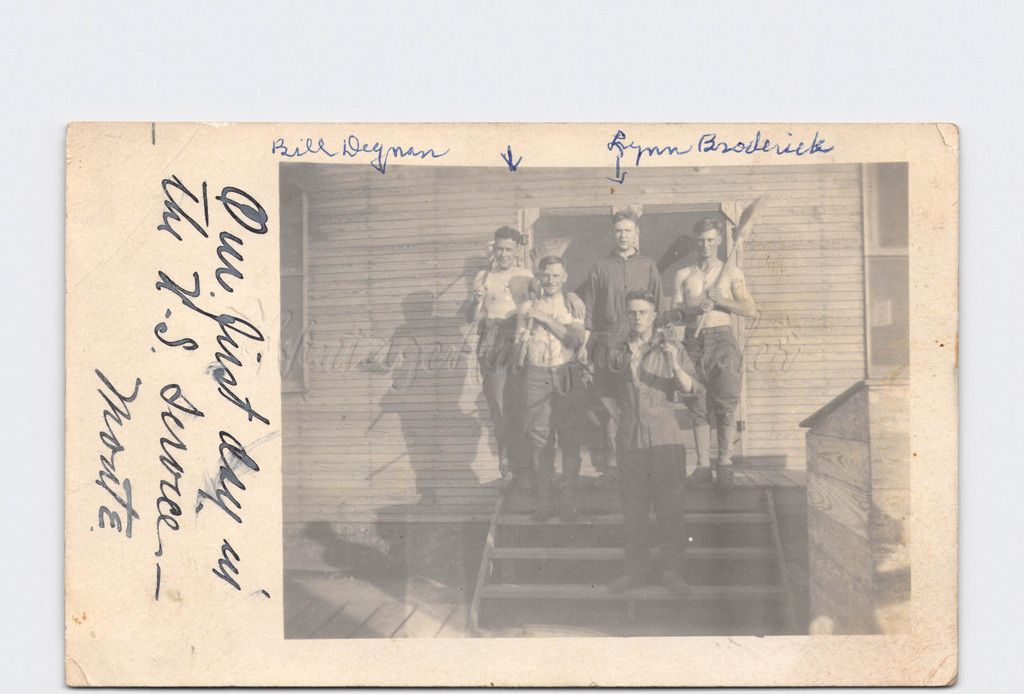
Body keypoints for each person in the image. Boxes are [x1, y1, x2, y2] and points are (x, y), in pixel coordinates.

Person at [604, 291, 700, 595]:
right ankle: (637, 572)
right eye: (632, 312)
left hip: (664, 440)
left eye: (643, 312)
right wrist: (620, 420)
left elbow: (691, 390)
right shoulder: (616, 352)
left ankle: (673, 573)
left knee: (670, 509)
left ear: (654, 315)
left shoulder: (670, 348)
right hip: (630, 441)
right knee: (634, 511)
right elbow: (603, 391)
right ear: (626, 315)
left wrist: (674, 361)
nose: (637, 317)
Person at [578, 209, 663, 483]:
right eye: (618, 231)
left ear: (636, 233)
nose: (623, 235)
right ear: (612, 234)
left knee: (642, 400)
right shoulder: (600, 267)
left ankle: (644, 460)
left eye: (628, 230)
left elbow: (659, 307)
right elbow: (589, 311)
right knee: (609, 404)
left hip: (642, 344)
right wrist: (586, 347)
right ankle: (614, 463)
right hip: (609, 344)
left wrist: (658, 342)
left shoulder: (648, 266)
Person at [672, 217, 756, 487]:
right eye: (701, 240)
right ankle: (702, 465)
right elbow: (676, 314)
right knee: (697, 405)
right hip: (693, 343)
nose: (706, 245)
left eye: (711, 240)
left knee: (725, 406)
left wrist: (722, 301)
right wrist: (696, 308)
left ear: (719, 241)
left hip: (722, 341)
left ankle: (726, 464)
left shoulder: (732, 273)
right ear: (696, 241)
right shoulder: (684, 275)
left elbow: (749, 310)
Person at [511, 256, 587, 521]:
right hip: (536, 374)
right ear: (539, 277)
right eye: (546, 275)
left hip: (565, 372)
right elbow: (518, 345)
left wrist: (543, 318)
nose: (551, 280)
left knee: (569, 437)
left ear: (565, 276)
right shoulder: (527, 307)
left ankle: (569, 500)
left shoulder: (572, 304)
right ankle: (544, 499)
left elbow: (575, 339)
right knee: (539, 438)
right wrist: (523, 335)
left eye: (556, 275)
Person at [467, 226, 534, 480]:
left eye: (509, 249)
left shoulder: (526, 275)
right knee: (499, 402)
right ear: (493, 248)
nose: (504, 254)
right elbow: (471, 318)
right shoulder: (483, 277)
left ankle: (527, 464)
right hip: (493, 342)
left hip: (521, 340)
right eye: (500, 248)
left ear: (517, 251)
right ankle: (506, 463)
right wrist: (476, 301)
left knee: (524, 401)